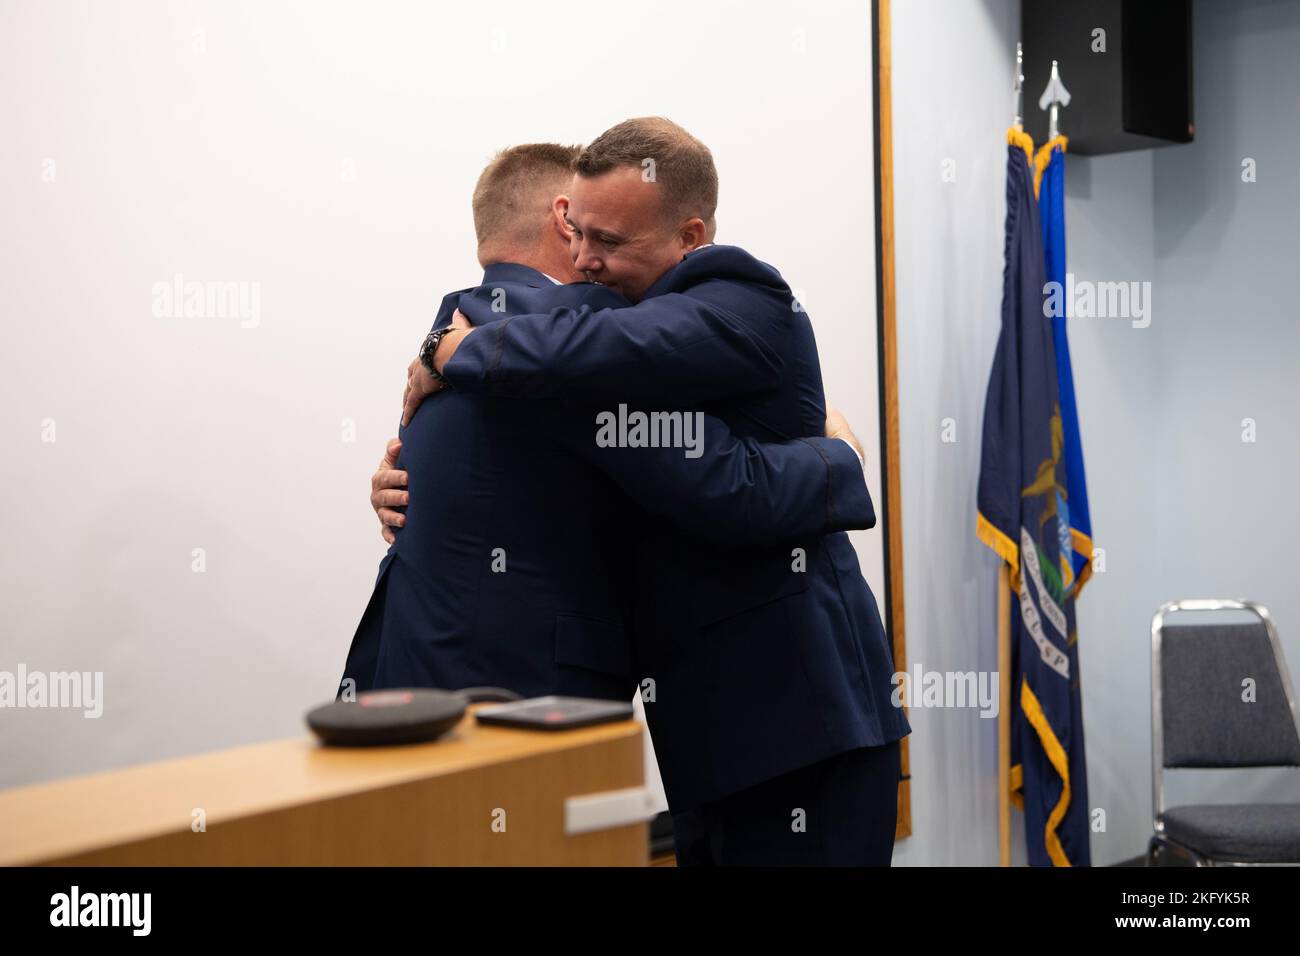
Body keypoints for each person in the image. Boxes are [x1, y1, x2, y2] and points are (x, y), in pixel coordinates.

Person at [401, 118, 911, 865]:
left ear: (688, 236)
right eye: (575, 235)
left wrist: (461, 342)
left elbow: (725, 485)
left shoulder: (737, 291)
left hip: (800, 724)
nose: (584, 261)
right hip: (709, 740)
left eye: (607, 241)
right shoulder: (600, 342)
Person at [340, 143, 876, 717]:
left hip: (397, 676)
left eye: (612, 237)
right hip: (528, 699)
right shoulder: (562, 339)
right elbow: (724, 480)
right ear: (563, 217)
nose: (595, 259)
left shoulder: (458, 331)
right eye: (594, 232)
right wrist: (840, 453)